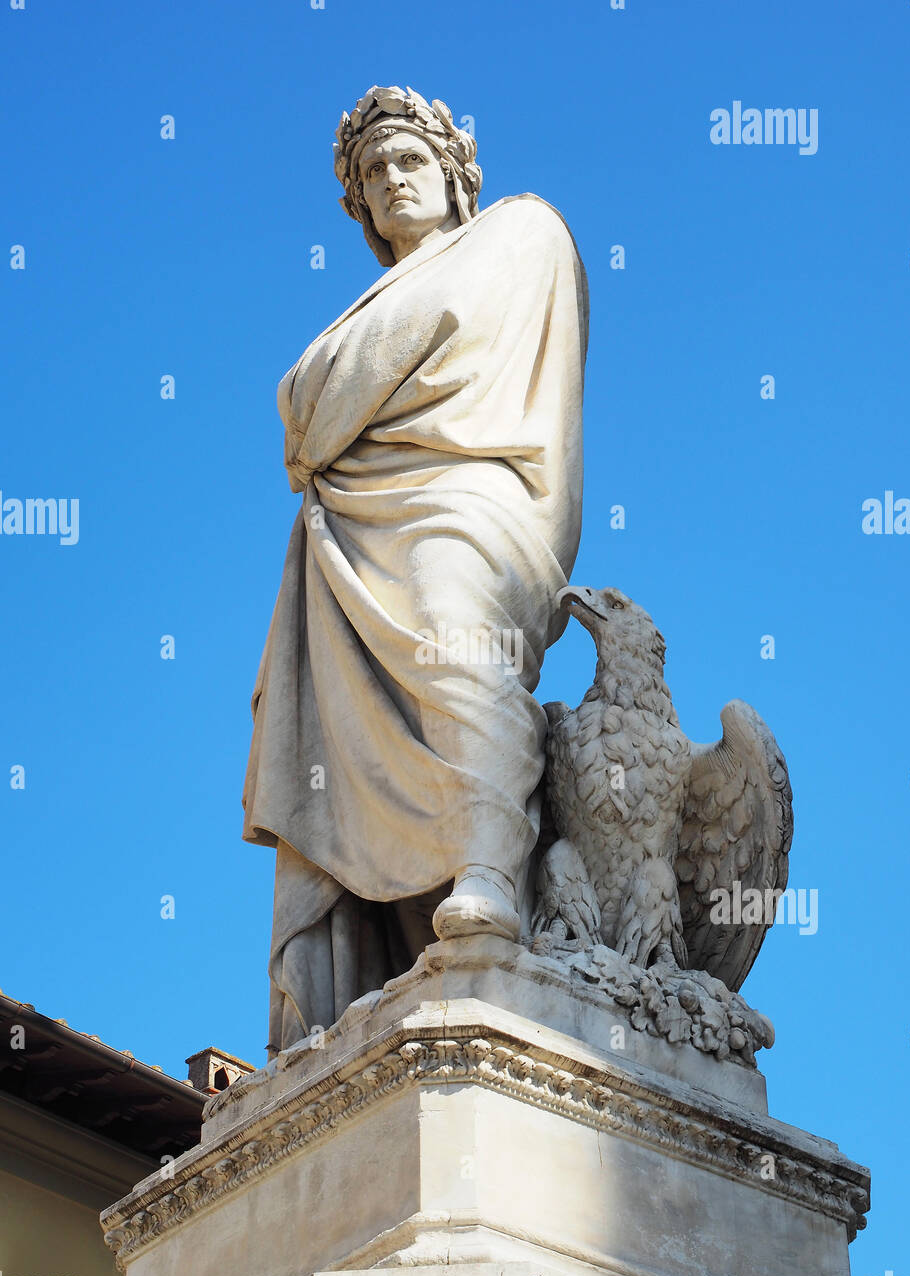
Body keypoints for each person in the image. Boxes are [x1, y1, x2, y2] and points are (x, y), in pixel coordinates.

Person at [243, 86, 589, 1053]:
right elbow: (303, 411)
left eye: (408, 162)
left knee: (455, 649)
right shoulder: (381, 296)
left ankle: (489, 872)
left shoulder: (519, 234)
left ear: (452, 172)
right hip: (351, 536)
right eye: (371, 175)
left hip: (472, 500)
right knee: (345, 732)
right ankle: (371, 969)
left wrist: (327, 393)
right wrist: (321, 397)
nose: (392, 182)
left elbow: (322, 392)